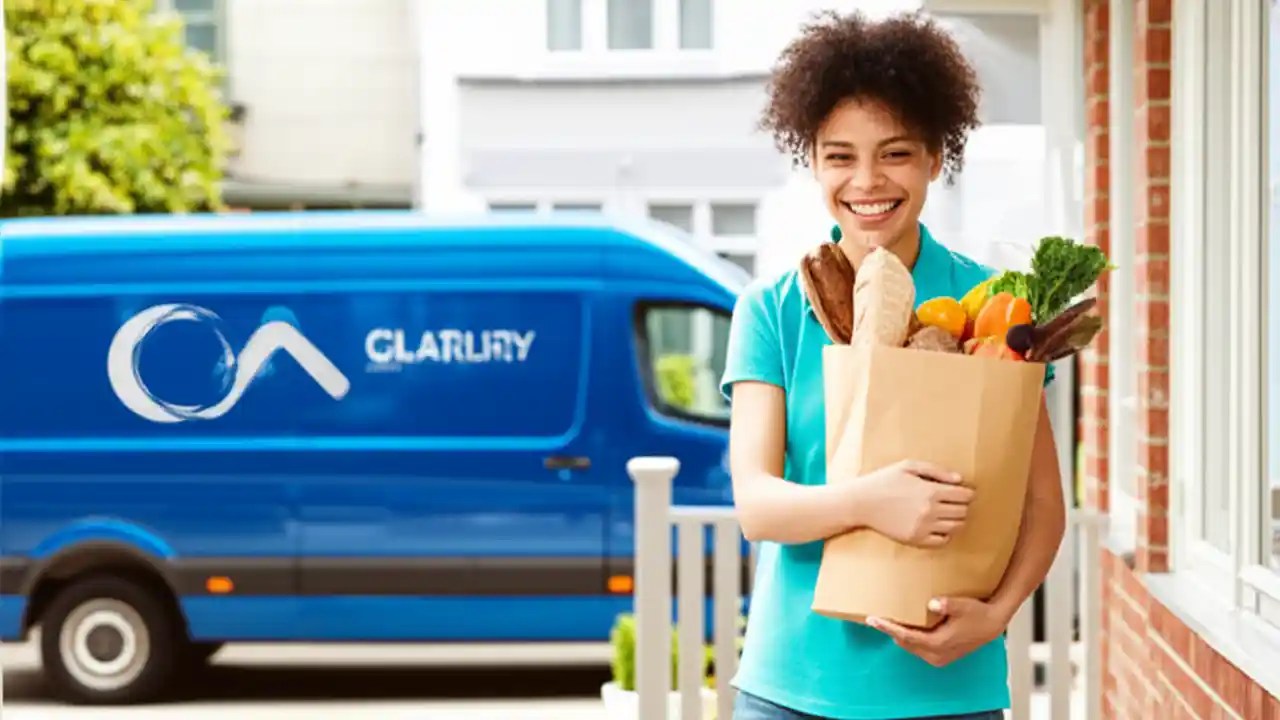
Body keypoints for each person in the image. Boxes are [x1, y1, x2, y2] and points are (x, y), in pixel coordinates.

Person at [721, 10, 1066, 720]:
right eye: (840, 155)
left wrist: (997, 614)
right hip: (794, 689)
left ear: (938, 156)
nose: (867, 180)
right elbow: (756, 504)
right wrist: (869, 501)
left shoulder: (997, 305)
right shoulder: (772, 310)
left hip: (948, 688)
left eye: (896, 153)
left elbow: (1042, 507)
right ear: (812, 161)